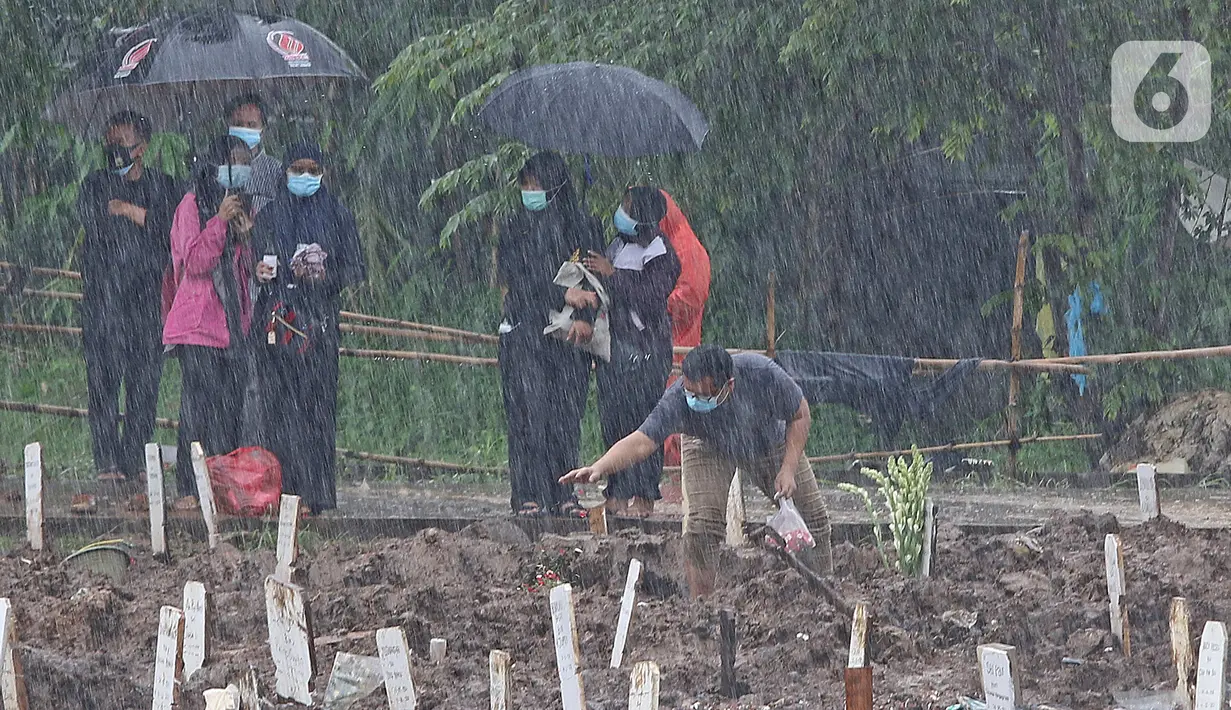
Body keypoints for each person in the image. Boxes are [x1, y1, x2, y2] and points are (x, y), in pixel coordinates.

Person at [561, 345, 833, 598]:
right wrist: (599, 467)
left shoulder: (762, 374)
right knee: (702, 526)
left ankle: (823, 595)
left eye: (703, 395)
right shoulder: (679, 399)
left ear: (729, 385)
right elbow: (642, 441)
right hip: (707, 444)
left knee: (814, 517)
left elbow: (801, 415)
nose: (695, 400)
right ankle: (702, 606)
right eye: (691, 393)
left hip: (767, 442)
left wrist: (787, 469)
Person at [253, 143, 366, 515]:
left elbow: (355, 269)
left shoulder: (337, 214)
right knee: (280, 408)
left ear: (322, 171)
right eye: (296, 168)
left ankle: (318, 493)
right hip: (279, 320)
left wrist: (324, 273)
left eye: (311, 169)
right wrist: (267, 270)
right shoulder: (271, 215)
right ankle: (285, 492)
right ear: (285, 172)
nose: (304, 176)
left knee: (317, 408)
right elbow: (259, 258)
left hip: (320, 322)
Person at [498, 151, 605, 518]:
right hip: (526, 331)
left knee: (565, 414)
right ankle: (527, 492)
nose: (530, 192)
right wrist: (559, 294)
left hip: (570, 340)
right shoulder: (514, 228)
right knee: (529, 412)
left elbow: (594, 280)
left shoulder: (583, 227)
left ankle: (563, 491)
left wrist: (584, 316)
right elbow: (517, 280)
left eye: (536, 185)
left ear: (556, 187)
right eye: (525, 185)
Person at [75, 111, 177, 482]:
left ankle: (134, 459)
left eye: (122, 145)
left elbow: (170, 231)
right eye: (110, 145)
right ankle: (106, 463)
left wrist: (130, 210)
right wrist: (131, 215)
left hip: (147, 303)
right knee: (102, 382)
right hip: (103, 301)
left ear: (142, 148)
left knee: (143, 386)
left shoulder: (164, 186)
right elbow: (92, 219)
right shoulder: (95, 184)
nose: (115, 152)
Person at [163, 135, 256, 507]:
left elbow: (242, 272)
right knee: (197, 410)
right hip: (198, 325)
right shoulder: (192, 205)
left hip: (231, 328)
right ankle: (189, 487)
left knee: (229, 410)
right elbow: (196, 262)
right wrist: (218, 221)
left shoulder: (240, 208)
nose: (241, 169)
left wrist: (245, 235)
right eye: (235, 162)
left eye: (245, 162)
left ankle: (219, 487)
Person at [580, 187, 679, 517]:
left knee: (645, 426)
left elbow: (651, 297)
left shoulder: (661, 253)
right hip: (615, 350)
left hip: (646, 352)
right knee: (614, 421)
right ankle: (617, 491)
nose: (620, 213)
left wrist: (613, 276)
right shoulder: (617, 245)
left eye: (626, 208)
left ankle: (644, 495)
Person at [658, 191, 710, 468]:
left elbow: (691, 295)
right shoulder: (665, 242)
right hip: (661, 341)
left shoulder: (686, 247)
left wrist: (653, 303)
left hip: (678, 341)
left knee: (675, 417)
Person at [225, 94, 281, 214]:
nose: (244, 129)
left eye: (251, 125)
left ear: (262, 131)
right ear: (229, 127)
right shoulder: (214, 166)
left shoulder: (276, 171)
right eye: (239, 124)